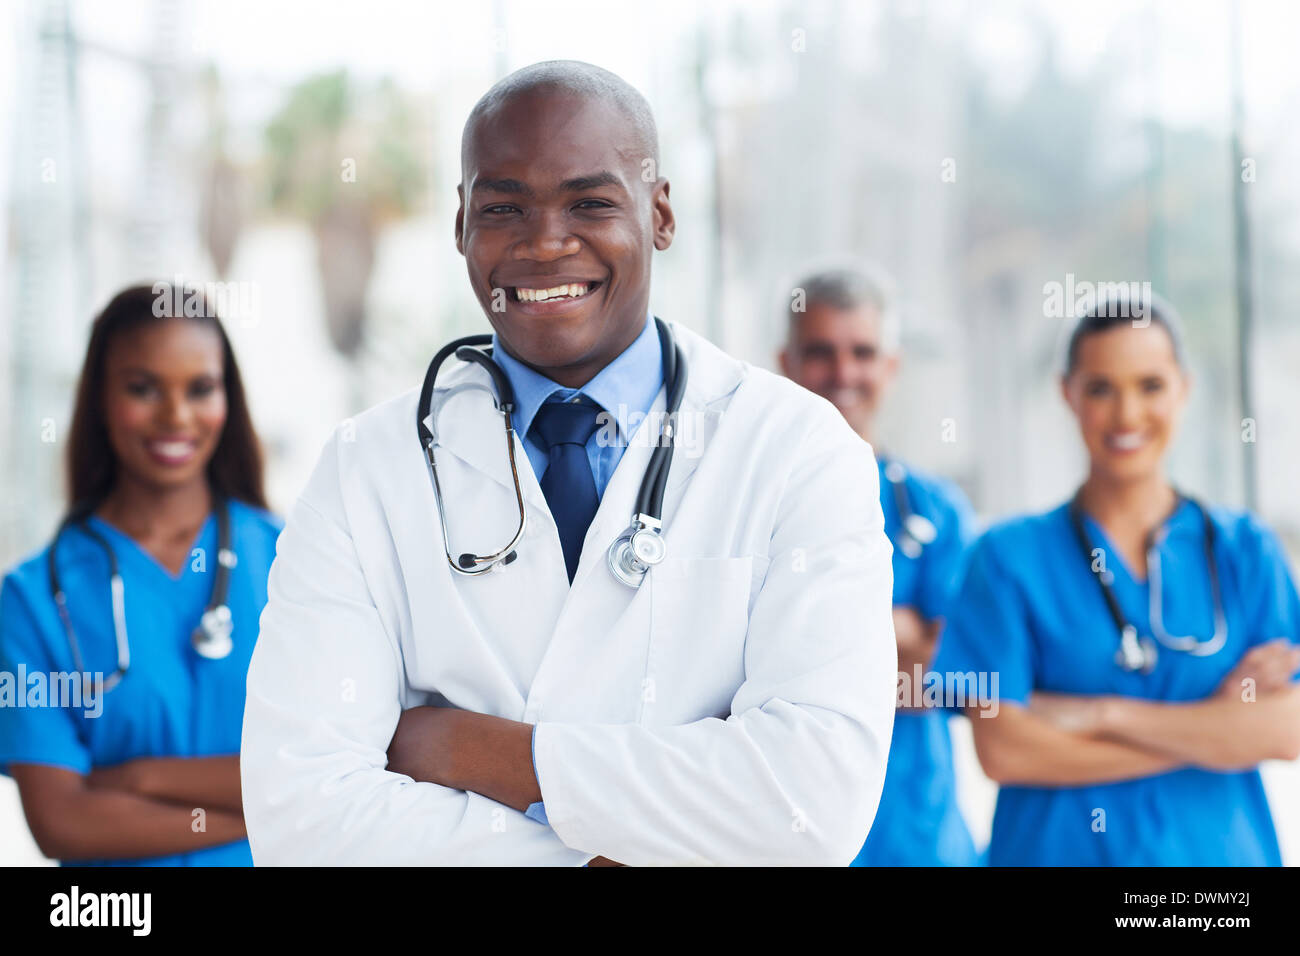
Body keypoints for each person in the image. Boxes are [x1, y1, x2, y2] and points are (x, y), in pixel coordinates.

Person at [239, 60, 897, 866]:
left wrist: (462, 750)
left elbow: (810, 805)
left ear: (659, 214)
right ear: (460, 226)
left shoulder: (797, 449)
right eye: (503, 206)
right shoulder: (364, 471)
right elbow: (301, 823)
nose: (545, 242)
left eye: (589, 202)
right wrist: (616, 845)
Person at [934, 293, 1300, 866]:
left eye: (1150, 385)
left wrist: (1104, 714)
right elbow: (1006, 752)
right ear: (1068, 394)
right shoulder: (1007, 558)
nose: (1127, 414)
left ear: (1184, 387)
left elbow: (1283, 729)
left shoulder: (1244, 551)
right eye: (1101, 388)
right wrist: (1215, 731)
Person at [0, 283, 280, 865]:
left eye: (200, 388)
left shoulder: (295, 559)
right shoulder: (31, 600)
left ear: (228, 399)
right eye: (142, 388)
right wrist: (268, 807)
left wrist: (141, 778)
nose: (176, 416)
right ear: (100, 400)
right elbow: (64, 823)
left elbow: (355, 762)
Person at [779, 265, 979, 867]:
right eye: (820, 353)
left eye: (862, 352)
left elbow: (971, 680)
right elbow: (721, 676)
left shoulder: (936, 511)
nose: (843, 374)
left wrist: (807, 647)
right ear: (784, 364)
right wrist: (902, 632)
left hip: (916, 841)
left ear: (890, 366)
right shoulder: (749, 504)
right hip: (790, 834)